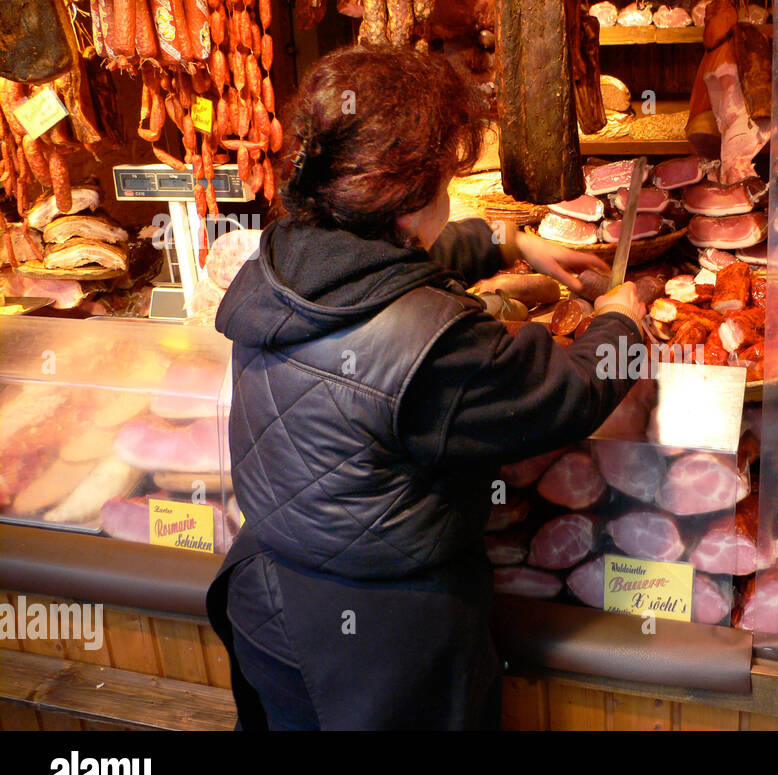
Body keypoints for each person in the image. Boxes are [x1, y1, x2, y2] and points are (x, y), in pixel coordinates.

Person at [205, 44, 645, 730]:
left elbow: (383, 269)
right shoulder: (434, 344)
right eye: (444, 181)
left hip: (266, 594)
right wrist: (623, 323)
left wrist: (511, 243)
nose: (448, 194)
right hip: (379, 640)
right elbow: (563, 394)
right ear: (407, 205)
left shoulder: (284, 255)